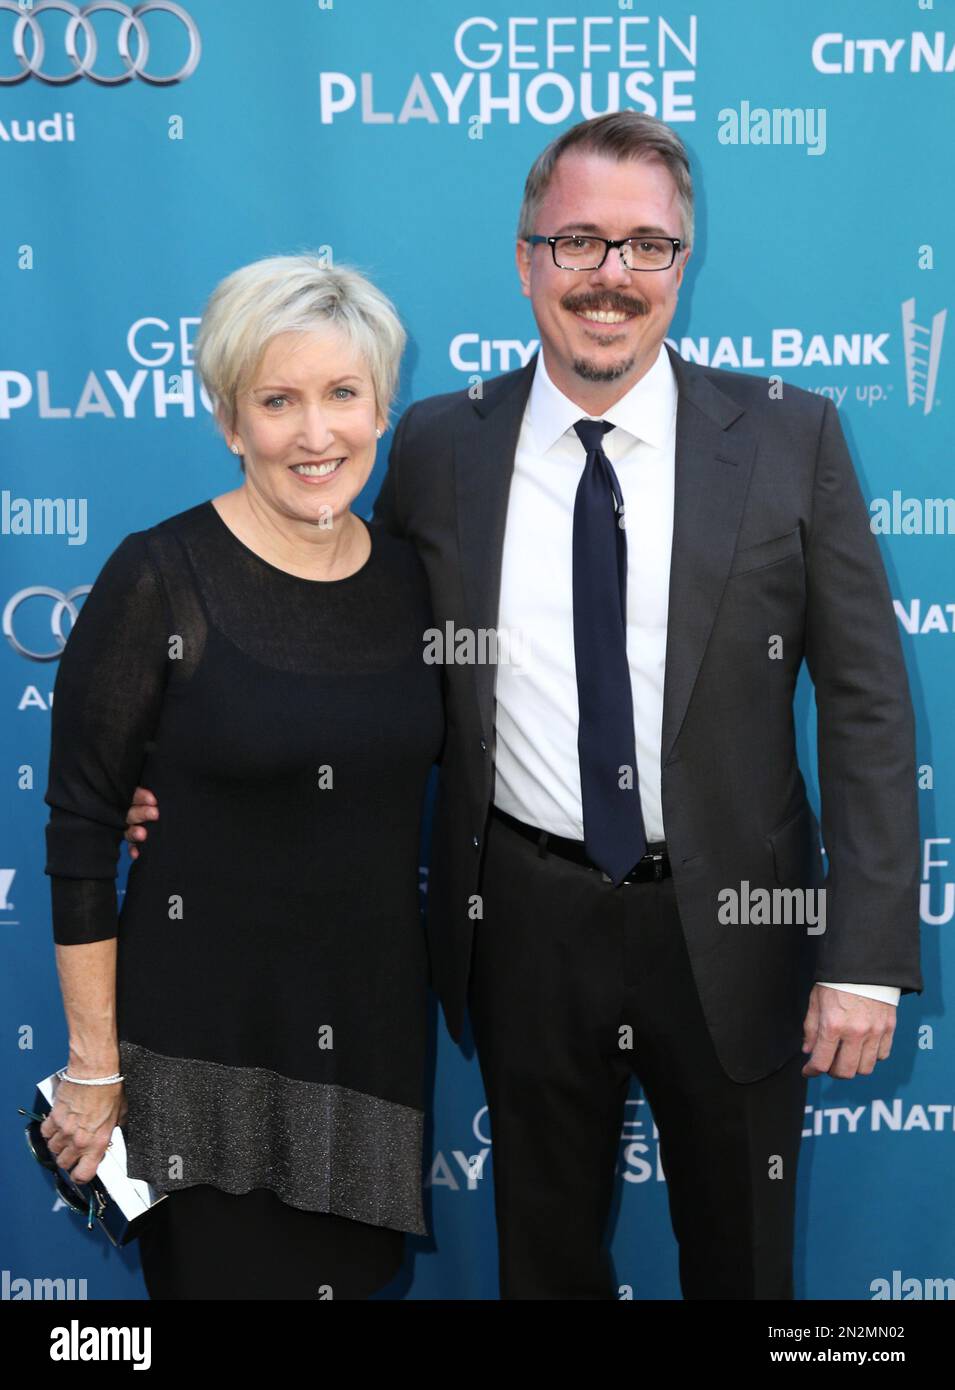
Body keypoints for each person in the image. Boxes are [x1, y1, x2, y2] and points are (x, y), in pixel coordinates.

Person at [127, 113, 922, 1302]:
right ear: (525, 259)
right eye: (580, 242)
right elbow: (344, 651)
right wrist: (185, 794)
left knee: (744, 1265)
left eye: (646, 245)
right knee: (543, 1265)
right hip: (522, 925)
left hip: (737, 927)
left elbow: (865, 702)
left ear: (682, 263)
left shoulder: (788, 437)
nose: (612, 275)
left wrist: (862, 955)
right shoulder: (444, 445)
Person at [41, 255, 444, 1300]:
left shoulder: (417, 581)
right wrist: (94, 1067)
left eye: (341, 394)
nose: (316, 433)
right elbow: (84, 824)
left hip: (365, 1048)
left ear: (383, 405)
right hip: (199, 1052)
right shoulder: (159, 576)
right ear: (230, 419)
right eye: (278, 401)